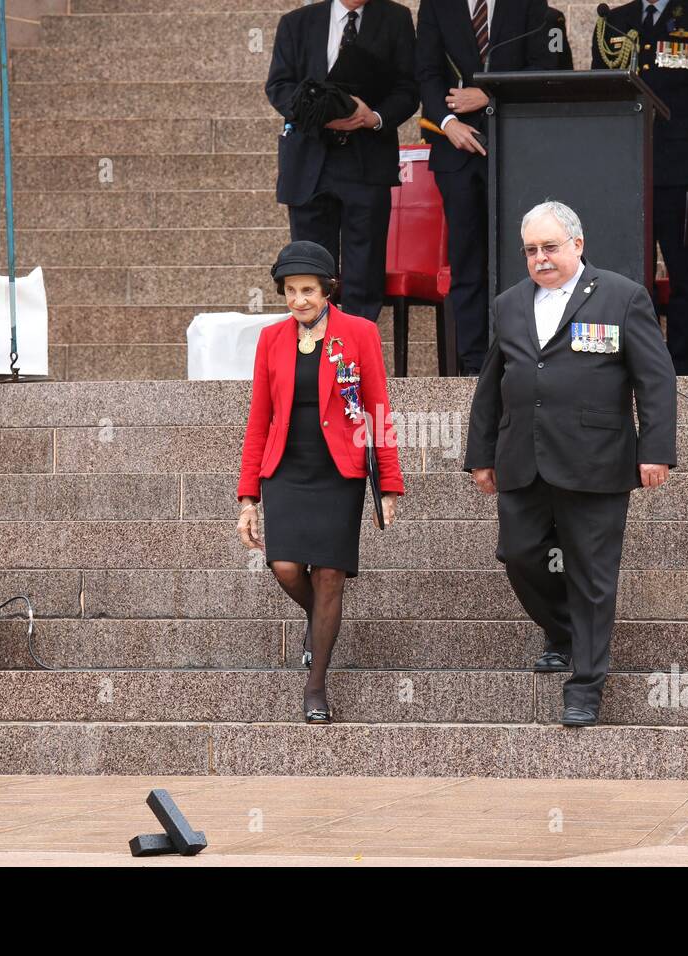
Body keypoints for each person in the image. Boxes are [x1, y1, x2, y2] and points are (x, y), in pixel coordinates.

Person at [463, 202, 678, 727]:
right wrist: (480, 454)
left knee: (592, 573)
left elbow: (655, 379)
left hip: (596, 461)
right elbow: (494, 382)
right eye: (531, 250)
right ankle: (562, 629)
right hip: (522, 457)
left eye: (550, 247)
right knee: (518, 555)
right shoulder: (509, 304)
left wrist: (656, 449)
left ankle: (585, 684)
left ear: (577, 245)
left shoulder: (622, 297)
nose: (540, 258)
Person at [237, 241, 405, 724]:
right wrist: (249, 496)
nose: (298, 300)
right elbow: (258, 419)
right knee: (286, 565)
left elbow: (378, 409)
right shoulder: (272, 339)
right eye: (290, 291)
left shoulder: (359, 333)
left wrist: (388, 483)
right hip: (288, 469)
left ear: (328, 289)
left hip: (339, 471)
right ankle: (320, 622)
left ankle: (317, 685)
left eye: (308, 290)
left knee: (329, 575)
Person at [416, 0, 561, 374]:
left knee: (522, 259)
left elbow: (544, 67)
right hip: (456, 151)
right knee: (467, 262)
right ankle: (474, 365)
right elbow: (427, 71)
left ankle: (522, 360)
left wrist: (491, 92)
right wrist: (448, 123)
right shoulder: (436, 5)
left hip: (516, 149)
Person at [591, 0, 688, 375]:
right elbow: (598, 95)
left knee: (684, 273)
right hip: (627, 169)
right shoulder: (614, 21)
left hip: (683, 168)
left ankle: (684, 366)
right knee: (630, 275)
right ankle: (641, 362)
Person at [265, 0, 419, 324]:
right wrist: (320, 115)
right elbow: (279, 86)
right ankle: (314, 352)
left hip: (367, 161)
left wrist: (373, 117)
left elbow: (407, 88)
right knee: (311, 270)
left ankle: (354, 358)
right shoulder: (296, 23)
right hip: (310, 163)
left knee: (364, 272)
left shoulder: (395, 18)